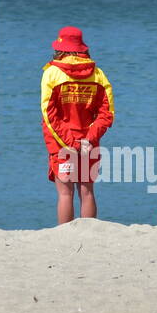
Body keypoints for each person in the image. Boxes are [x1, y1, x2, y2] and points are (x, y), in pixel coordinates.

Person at [41, 26, 114, 224]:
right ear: (82, 48)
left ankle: (65, 239)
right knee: (87, 191)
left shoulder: (52, 73)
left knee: (65, 194)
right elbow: (107, 114)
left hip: (61, 143)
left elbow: (49, 114)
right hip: (88, 142)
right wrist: (88, 139)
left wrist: (71, 142)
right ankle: (89, 235)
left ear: (61, 48)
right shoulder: (98, 74)